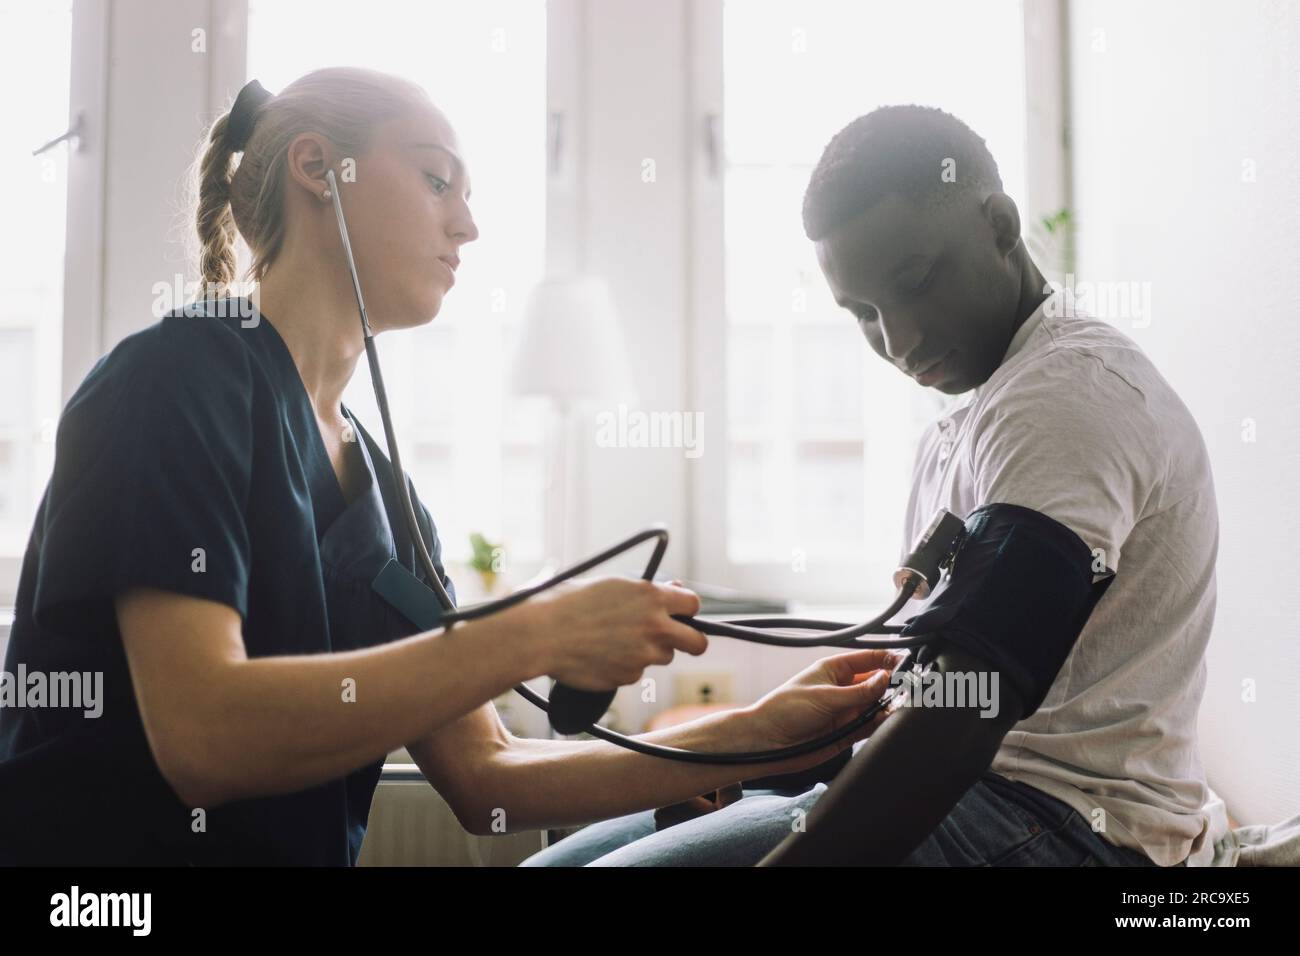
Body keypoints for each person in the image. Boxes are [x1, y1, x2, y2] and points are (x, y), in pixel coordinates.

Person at [0, 68, 898, 866]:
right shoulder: (176, 378)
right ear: (319, 168)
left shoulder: (388, 497)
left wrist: (761, 732)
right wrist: (538, 633)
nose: (467, 225)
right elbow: (203, 739)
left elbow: (486, 775)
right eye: (436, 180)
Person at [524, 106, 1221, 867]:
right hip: (986, 793)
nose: (898, 340)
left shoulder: (1066, 394)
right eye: (862, 314)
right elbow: (935, 687)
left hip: (1067, 825)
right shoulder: (965, 422)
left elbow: (969, 706)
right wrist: (764, 759)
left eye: (916, 281)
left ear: (1001, 226)